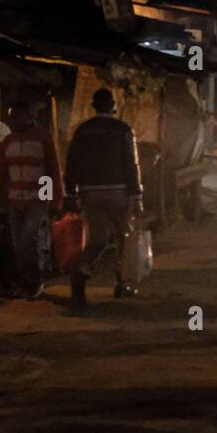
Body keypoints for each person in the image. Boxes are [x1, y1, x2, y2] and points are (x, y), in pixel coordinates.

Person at [64, 87, 143, 307]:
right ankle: (122, 282)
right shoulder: (123, 130)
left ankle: (81, 272)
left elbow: (72, 163)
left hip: (90, 192)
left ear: (93, 106)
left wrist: (70, 192)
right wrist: (136, 194)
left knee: (97, 238)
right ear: (114, 106)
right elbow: (131, 163)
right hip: (119, 192)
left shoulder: (82, 131)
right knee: (123, 237)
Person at [0, 102, 62, 298]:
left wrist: (52, 201)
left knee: (27, 239)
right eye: (11, 116)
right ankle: (28, 280)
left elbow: (52, 171)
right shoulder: (8, 142)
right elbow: (1, 175)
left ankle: (34, 279)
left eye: (16, 116)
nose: (13, 120)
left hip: (36, 201)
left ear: (28, 116)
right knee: (19, 243)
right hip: (15, 202)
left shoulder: (42, 139)